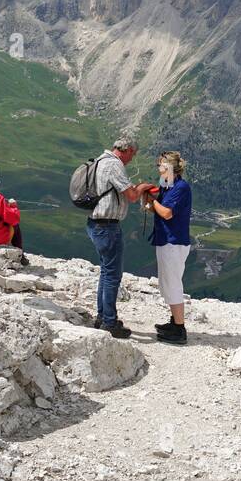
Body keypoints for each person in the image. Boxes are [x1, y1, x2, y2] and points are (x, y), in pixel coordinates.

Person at [86, 135, 154, 339]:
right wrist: (143, 186)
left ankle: (102, 316)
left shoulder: (99, 161)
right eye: (133, 154)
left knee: (106, 272)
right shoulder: (113, 165)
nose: (132, 159)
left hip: (95, 223)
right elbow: (132, 195)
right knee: (113, 275)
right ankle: (109, 322)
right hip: (107, 226)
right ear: (127, 150)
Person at [143, 151, 193, 344]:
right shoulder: (167, 186)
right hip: (166, 239)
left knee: (172, 283)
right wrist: (151, 201)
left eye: (162, 166)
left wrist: (153, 202)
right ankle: (174, 322)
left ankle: (179, 329)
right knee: (167, 282)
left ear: (170, 168)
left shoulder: (181, 187)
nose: (159, 169)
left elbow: (167, 213)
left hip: (174, 242)